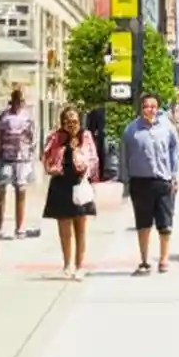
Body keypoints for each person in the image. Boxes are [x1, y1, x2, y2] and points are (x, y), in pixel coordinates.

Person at [122, 92, 179, 275]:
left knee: (165, 224)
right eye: (146, 106)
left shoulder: (167, 128)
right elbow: (124, 156)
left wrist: (174, 175)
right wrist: (126, 183)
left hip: (163, 181)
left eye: (153, 106)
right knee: (143, 224)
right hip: (140, 182)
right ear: (141, 108)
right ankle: (145, 260)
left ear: (158, 108)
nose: (150, 110)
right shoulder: (131, 130)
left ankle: (164, 259)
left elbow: (175, 150)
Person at [42, 106, 100, 280]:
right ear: (62, 122)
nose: (71, 125)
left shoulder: (86, 136)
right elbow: (46, 157)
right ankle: (67, 263)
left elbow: (93, 158)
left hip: (80, 184)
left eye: (74, 121)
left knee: (80, 228)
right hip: (61, 184)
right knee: (64, 228)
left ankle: (80, 264)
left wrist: (85, 166)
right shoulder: (55, 138)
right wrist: (52, 168)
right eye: (67, 121)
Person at [0, 88, 35, 238]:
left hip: (22, 158)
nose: (19, 102)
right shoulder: (3, 116)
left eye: (21, 99)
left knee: (21, 191)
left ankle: (20, 227)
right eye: (17, 99)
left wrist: (30, 153)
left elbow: (32, 136)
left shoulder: (28, 117)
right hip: (5, 157)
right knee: (1, 190)